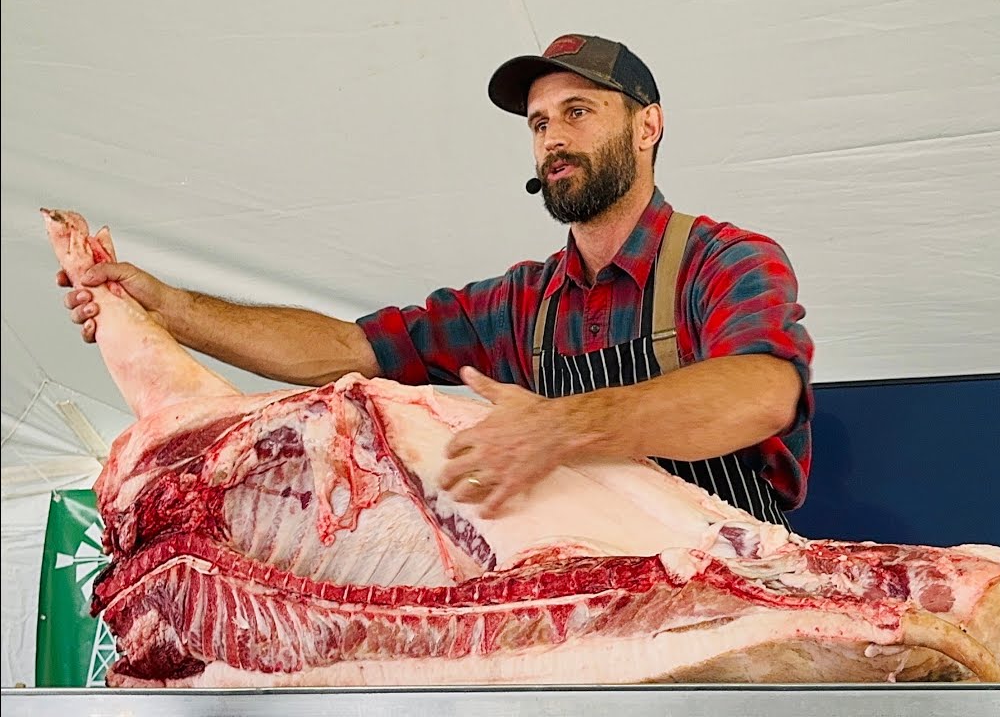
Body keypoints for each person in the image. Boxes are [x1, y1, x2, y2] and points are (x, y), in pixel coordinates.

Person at [55, 34, 816, 526]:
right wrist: (170, 309)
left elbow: (761, 393)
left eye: (578, 112)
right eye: (539, 123)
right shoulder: (522, 303)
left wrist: (561, 426)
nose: (553, 138)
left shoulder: (725, 262)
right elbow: (347, 348)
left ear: (647, 126)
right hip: (593, 590)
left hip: (740, 578)